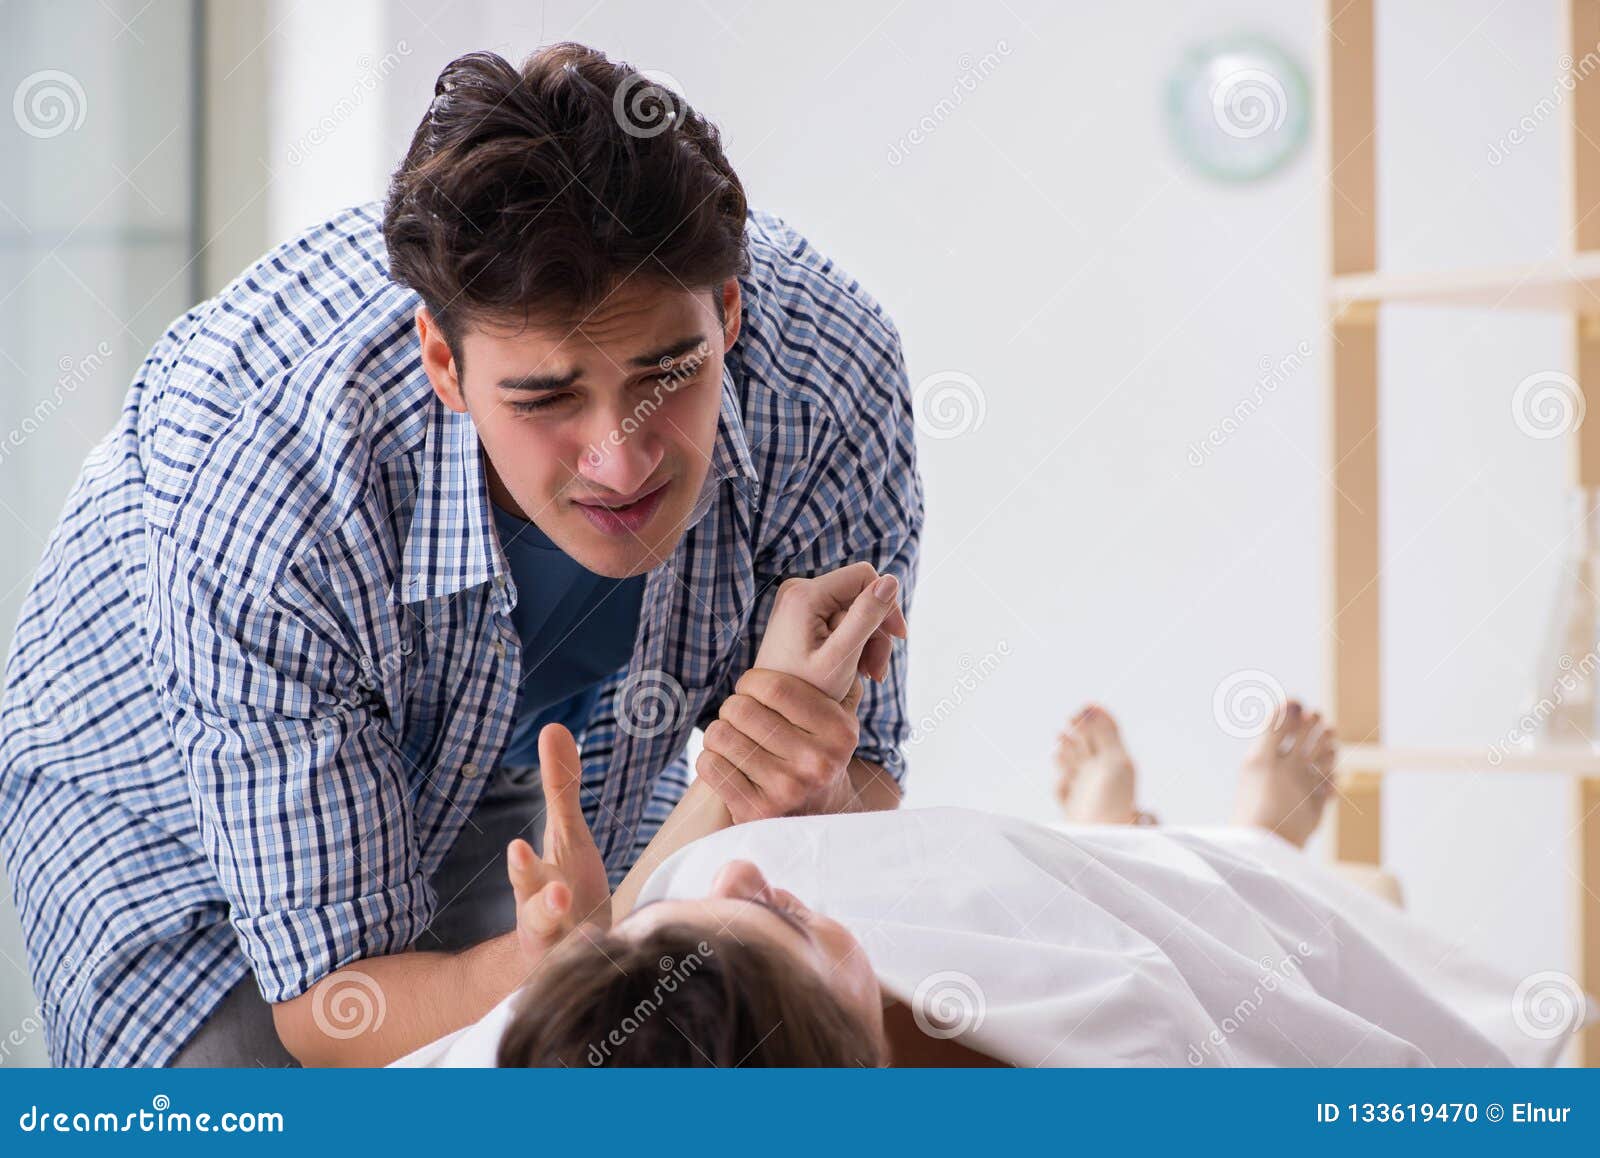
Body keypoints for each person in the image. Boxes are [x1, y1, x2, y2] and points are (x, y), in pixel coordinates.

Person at [0, 43, 921, 1068]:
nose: (620, 462)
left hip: (571, 773)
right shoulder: (268, 482)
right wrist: (551, 959)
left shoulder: (829, 377)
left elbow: (861, 794)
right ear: (444, 361)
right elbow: (334, 1010)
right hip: (177, 828)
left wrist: (805, 773)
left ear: (732, 313)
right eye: (547, 398)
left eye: (668, 373)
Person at [400, 689, 1546, 1067]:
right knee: (1312, 907)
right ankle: (1250, 837)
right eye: (784, 918)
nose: (752, 864)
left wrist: (560, 960)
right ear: (863, 1017)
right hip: (1047, 912)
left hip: (930, 887)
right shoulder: (1113, 1044)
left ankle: (1125, 831)